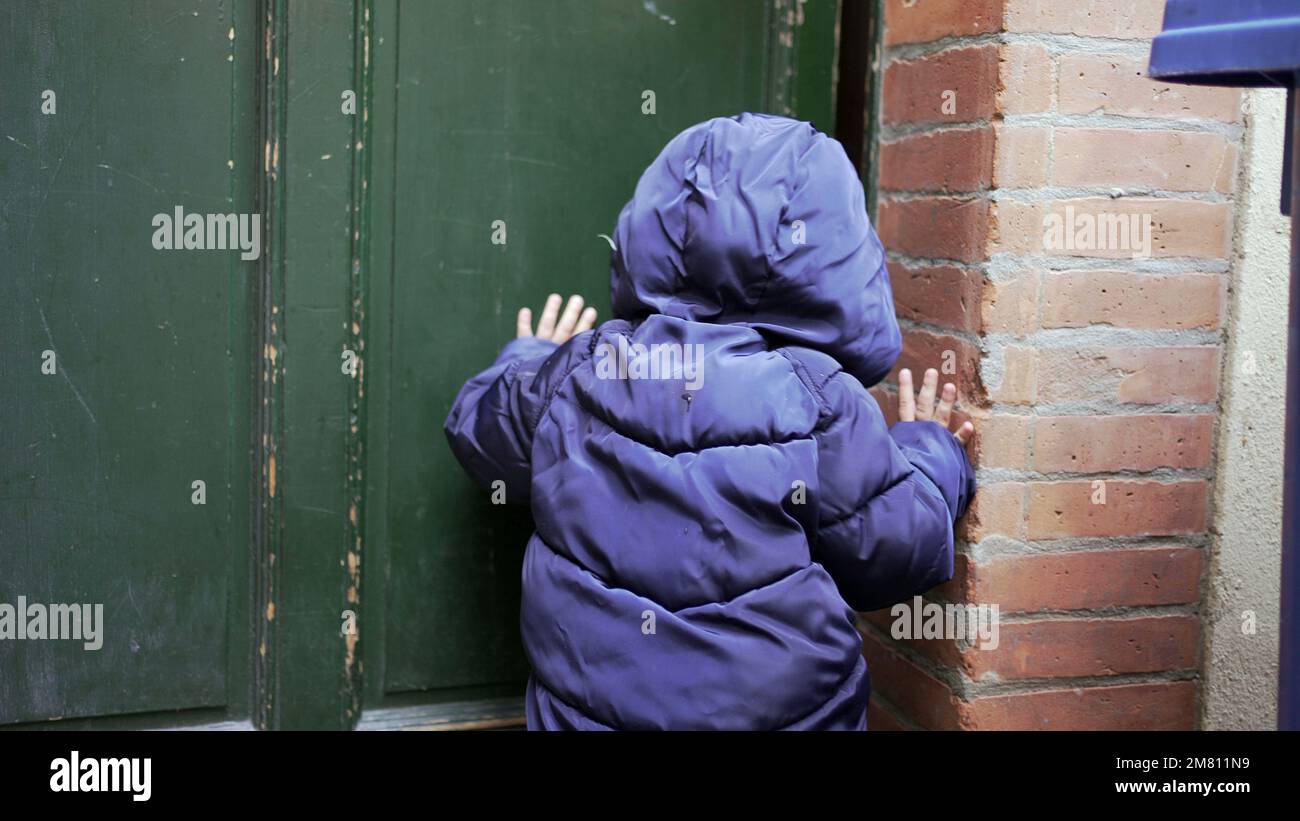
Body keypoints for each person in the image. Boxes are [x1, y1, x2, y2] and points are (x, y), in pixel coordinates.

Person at [445, 113, 975, 730]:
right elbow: (895, 553)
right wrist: (932, 453)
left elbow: (478, 431)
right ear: (837, 254)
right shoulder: (819, 400)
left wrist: (528, 356)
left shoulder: (578, 373)